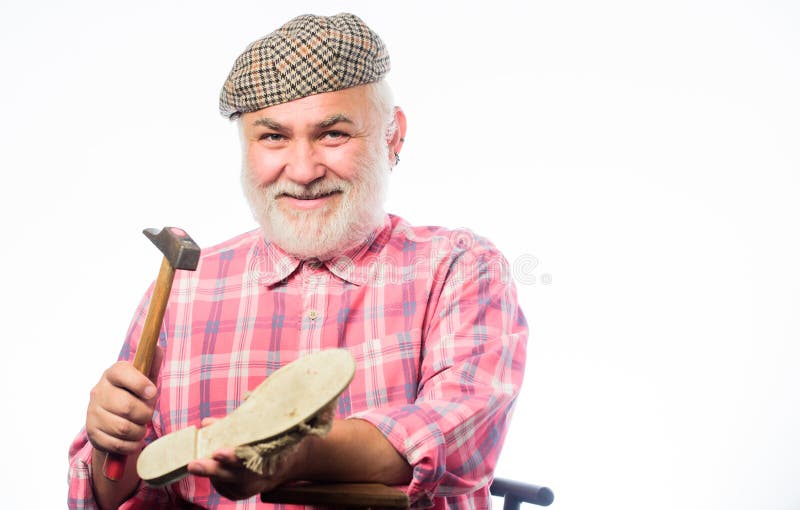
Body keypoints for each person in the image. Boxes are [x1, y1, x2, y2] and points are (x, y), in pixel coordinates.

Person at [68, 13, 527, 510]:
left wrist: (295, 455)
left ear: (392, 136)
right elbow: (111, 496)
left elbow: (459, 431)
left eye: (333, 134)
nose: (304, 171)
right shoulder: (184, 288)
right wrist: (113, 446)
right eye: (273, 137)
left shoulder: (459, 268)